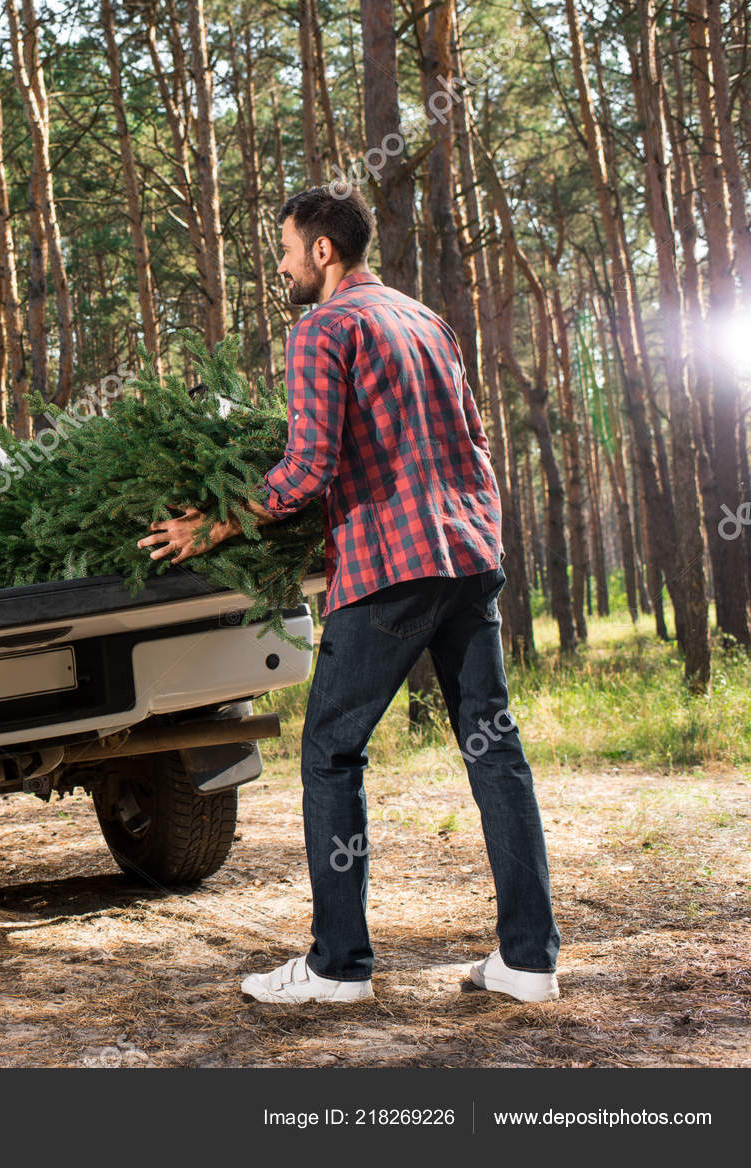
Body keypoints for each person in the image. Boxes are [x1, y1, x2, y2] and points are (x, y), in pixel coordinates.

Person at [138, 186, 561, 1005]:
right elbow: (476, 441)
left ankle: (338, 966)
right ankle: (530, 959)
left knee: (331, 754)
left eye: (288, 249)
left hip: (390, 567)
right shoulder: (425, 319)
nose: (283, 264)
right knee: (495, 753)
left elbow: (306, 471)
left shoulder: (323, 329)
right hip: (470, 559)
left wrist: (214, 526)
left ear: (323, 250)